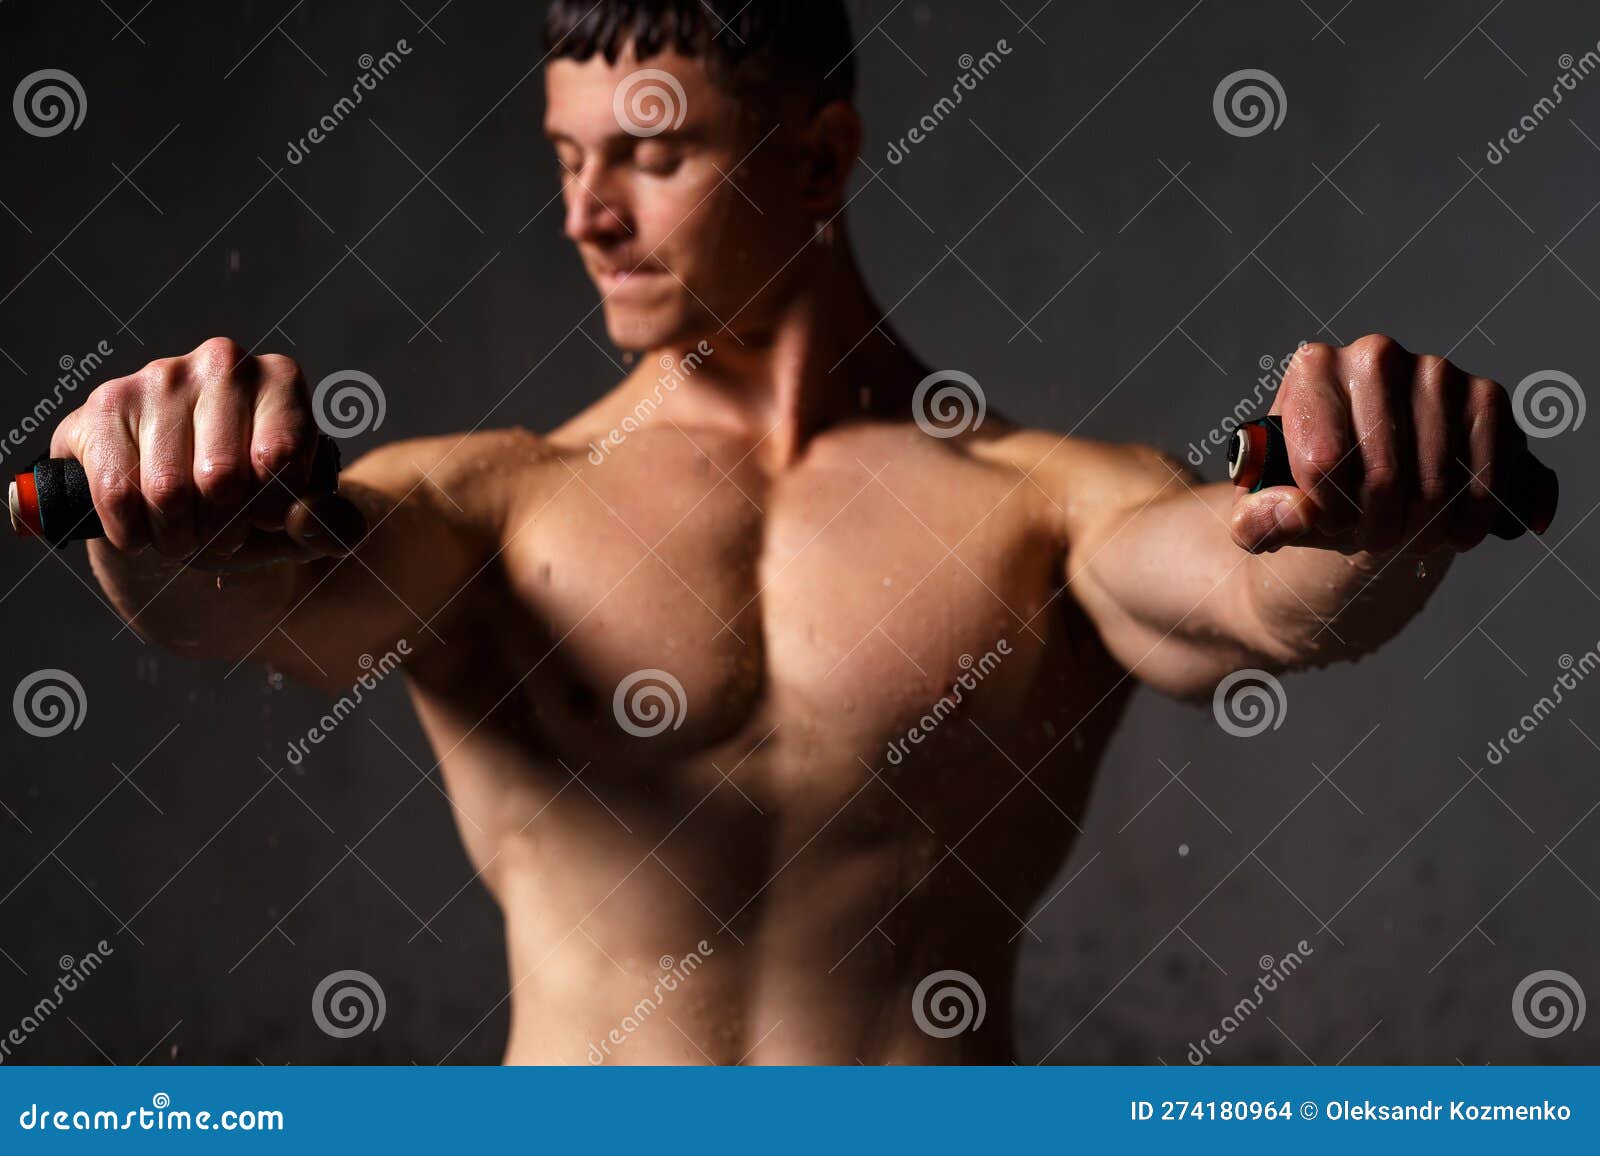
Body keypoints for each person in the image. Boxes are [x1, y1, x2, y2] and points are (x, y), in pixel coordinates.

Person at [48, 0, 1559, 1063]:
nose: (587, 214)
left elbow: (1253, 592)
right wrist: (148, 508)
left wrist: (1373, 520)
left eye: (650, 151)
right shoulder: (492, 504)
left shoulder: (1038, 501)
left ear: (820, 159)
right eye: (567, 157)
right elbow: (240, 601)